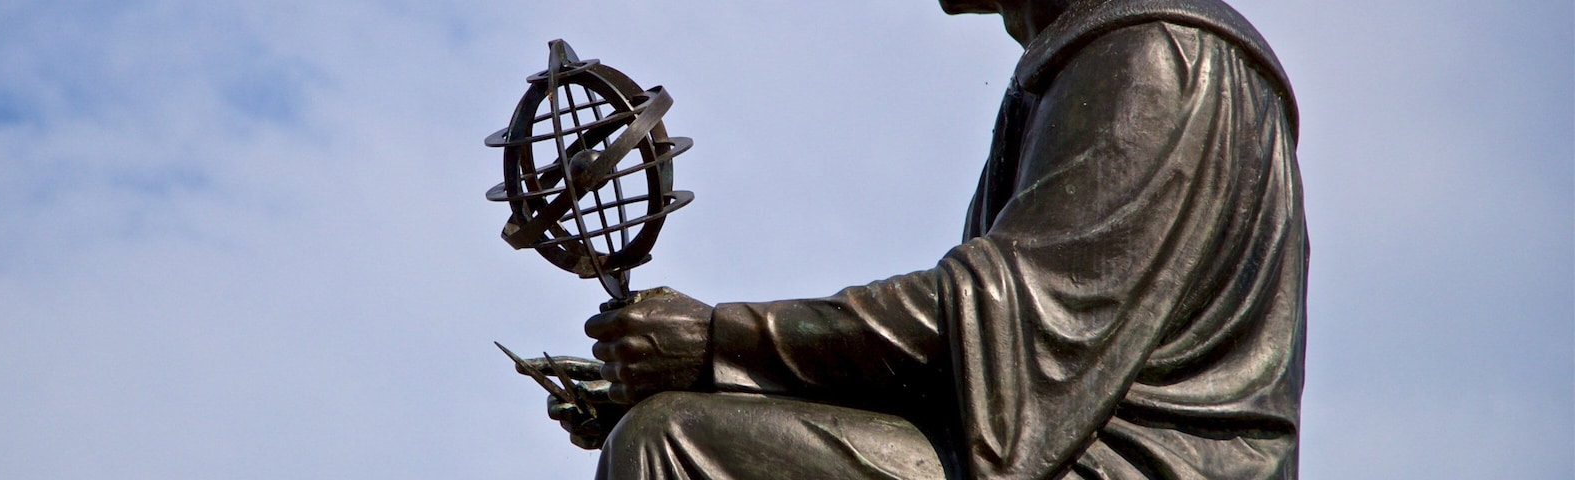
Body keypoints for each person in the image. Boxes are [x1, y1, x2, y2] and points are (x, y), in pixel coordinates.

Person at [519, 0, 1306, 478]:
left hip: (1120, 470)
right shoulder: (1096, 62)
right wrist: (710, 375)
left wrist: (719, 343)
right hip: (1056, 450)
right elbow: (987, 365)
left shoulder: (1154, 57)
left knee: (672, 450)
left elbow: (995, 319)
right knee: (666, 426)